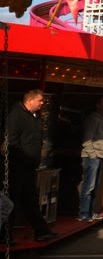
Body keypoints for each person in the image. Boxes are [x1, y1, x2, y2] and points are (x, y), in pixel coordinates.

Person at [6, 89, 57, 242]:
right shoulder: (16, 115)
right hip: (17, 166)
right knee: (11, 201)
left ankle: (41, 231)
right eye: (40, 100)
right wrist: (23, 158)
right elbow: (11, 141)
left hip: (28, 166)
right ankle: (5, 235)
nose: (42, 104)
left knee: (30, 200)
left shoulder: (33, 117)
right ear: (30, 100)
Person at [78, 95, 103, 223]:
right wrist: (93, 154)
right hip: (93, 156)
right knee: (89, 186)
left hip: (99, 155)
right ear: (97, 105)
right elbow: (87, 138)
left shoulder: (102, 118)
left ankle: (91, 211)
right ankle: (84, 213)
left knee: (95, 186)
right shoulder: (93, 119)